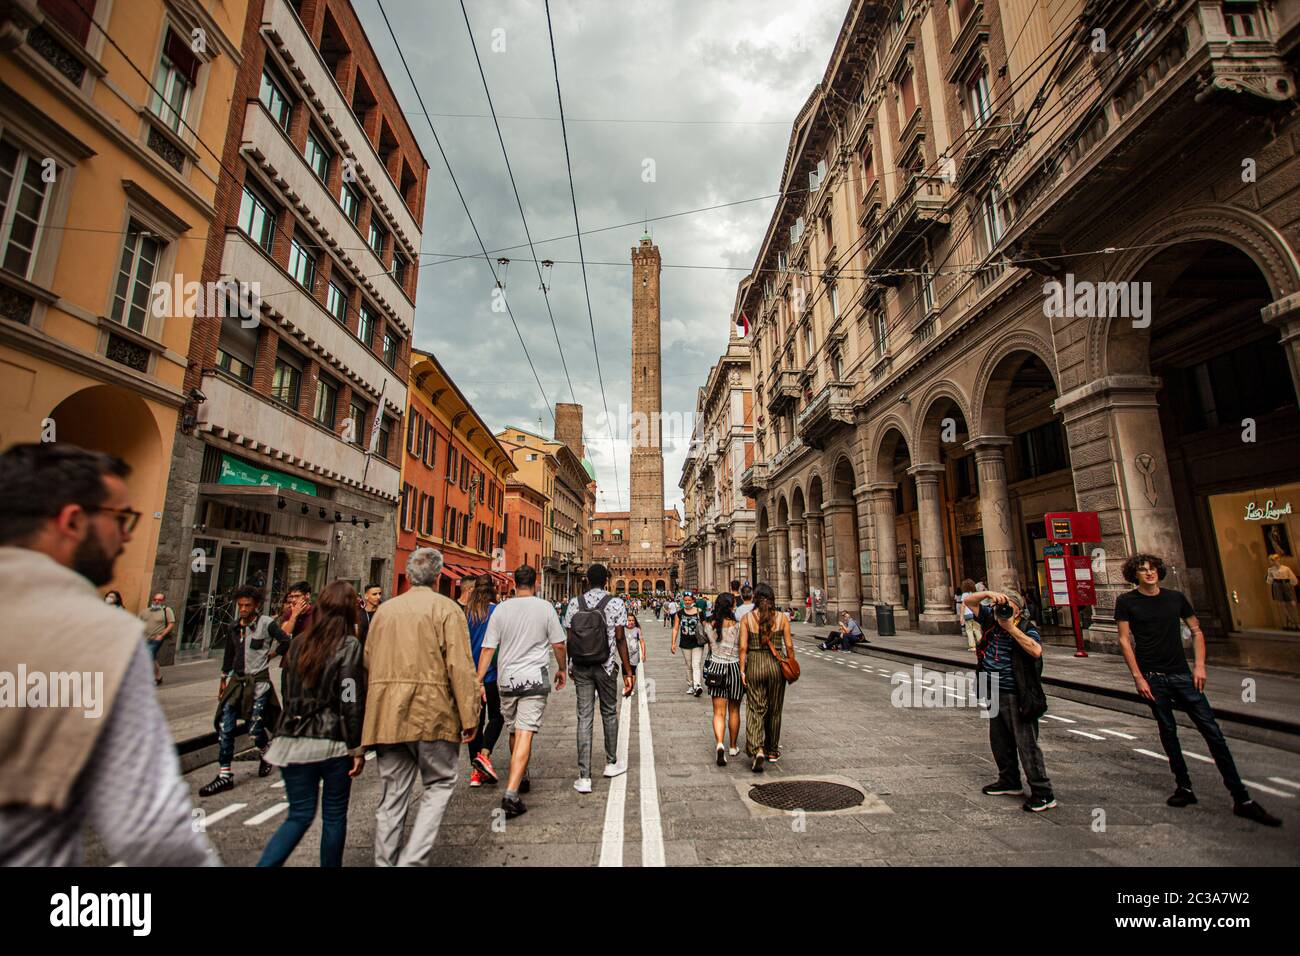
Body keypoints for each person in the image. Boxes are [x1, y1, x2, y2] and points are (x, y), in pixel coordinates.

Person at [0, 442, 216, 865]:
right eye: (121, 518)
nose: (129, 534)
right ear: (73, 521)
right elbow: (154, 836)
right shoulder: (99, 636)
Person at [1115, 553, 1280, 825]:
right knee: (1168, 733)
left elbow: (1197, 631)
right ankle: (1184, 787)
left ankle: (1241, 797)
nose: (1149, 573)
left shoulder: (1175, 598)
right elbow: (1123, 640)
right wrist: (1138, 677)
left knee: (1213, 734)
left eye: (1153, 569)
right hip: (1154, 678)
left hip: (1183, 675)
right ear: (1135, 575)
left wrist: (1200, 666)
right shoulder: (1126, 602)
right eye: (1143, 570)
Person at [363, 548, 481, 866]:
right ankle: (412, 861)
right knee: (439, 784)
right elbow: (459, 664)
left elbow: (368, 661)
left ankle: (384, 862)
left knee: (392, 795)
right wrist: (470, 715)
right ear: (440, 576)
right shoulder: (446, 610)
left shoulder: (384, 612)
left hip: (387, 715)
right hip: (432, 713)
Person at [257, 581, 366, 867]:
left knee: (298, 815)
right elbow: (350, 698)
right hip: (331, 741)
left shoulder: (297, 644)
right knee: (333, 815)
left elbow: (289, 692)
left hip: (292, 738)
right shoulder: (349, 645)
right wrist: (356, 747)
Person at [478, 565, 568, 818]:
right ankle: (511, 793)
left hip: (506, 679)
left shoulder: (502, 609)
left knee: (513, 730)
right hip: (533, 679)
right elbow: (559, 644)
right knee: (525, 733)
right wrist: (562, 668)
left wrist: (478, 679)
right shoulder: (545, 607)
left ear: (515, 583)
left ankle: (522, 774)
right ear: (536, 583)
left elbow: (487, 648)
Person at [199, 584, 300, 796]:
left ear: (256, 606)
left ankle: (265, 752)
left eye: (247, 605)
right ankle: (224, 774)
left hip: (258, 683)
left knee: (254, 728)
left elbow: (285, 641)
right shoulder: (235, 627)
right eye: (240, 605)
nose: (243, 609)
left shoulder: (266, 624)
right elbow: (229, 656)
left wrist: (272, 655)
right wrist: (223, 680)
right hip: (237, 682)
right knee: (225, 727)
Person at [962, 586, 1055, 812]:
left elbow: (1035, 651)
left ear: (1019, 610)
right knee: (999, 740)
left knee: (1027, 744)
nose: (1002, 610)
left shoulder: (1025, 628)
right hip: (993, 689)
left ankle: (1043, 792)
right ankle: (1009, 780)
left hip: (1017, 693)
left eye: (1008, 607)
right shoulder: (990, 621)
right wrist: (988, 596)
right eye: (1000, 606)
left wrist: (1010, 628)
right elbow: (969, 602)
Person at [563, 563, 635, 794]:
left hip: (582, 666)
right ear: (606, 580)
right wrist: (628, 671)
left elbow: (570, 637)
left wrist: (569, 665)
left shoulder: (575, 603)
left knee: (584, 717)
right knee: (609, 713)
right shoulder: (615, 603)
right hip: (605, 666)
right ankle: (611, 763)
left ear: (586, 580)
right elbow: (621, 639)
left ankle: (584, 777)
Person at [738, 583, 794, 771]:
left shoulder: (747, 618)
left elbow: (743, 647)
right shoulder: (782, 618)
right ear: (772, 598)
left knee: (755, 708)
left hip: (755, 663)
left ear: (754, 598)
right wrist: (790, 663)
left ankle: (757, 748)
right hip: (776, 665)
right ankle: (771, 750)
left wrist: (742, 670)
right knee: (775, 708)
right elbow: (789, 645)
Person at [466, 574, 504, 789]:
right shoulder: (495, 611)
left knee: (475, 723)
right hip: (490, 674)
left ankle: (475, 772)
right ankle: (484, 754)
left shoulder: (466, 612)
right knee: (497, 717)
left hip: (470, 675)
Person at [704, 592, 743, 764]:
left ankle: (720, 744)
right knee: (734, 710)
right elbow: (743, 649)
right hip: (734, 667)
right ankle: (733, 746)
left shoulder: (708, 625)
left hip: (716, 669)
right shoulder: (739, 625)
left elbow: (708, 644)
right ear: (731, 606)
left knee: (718, 712)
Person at [672, 590, 707, 696]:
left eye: (689, 600)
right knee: (689, 665)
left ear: (693, 600)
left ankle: (697, 685)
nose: (687, 602)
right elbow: (675, 628)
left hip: (698, 642)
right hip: (685, 642)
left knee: (696, 664)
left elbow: (705, 626)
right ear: (683, 601)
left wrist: (710, 640)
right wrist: (673, 643)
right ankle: (691, 685)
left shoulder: (699, 611)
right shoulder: (679, 613)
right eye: (685, 600)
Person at [139, 590, 176, 685]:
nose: (156, 601)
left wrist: (162, 635)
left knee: (148, 655)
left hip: (157, 638)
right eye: (155, 599)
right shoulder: (145, 611)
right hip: (144, 637)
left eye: (159, 600)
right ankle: (158, 676)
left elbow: (171, 624)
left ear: (163, 601)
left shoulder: (166, 610)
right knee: (152, 657)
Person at [358, 582, 383, 647]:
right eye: (374, 594)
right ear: (366, 596)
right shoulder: (359, 614)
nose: (378, 597)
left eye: (380, 594)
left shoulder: (384, 613)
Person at [958, 577, 980, 651]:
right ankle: (981, 644)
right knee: (977, 629)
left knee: (969, 630)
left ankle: (972, 646)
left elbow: (963, 605)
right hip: (975, 614)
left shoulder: (964, 595)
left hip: (967, 614)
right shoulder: (976, 594)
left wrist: (961, 616)